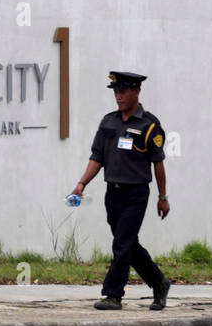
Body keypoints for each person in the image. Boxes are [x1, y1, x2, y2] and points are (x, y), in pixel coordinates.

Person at [69, 70, 171, 310]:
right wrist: (81, 184)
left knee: (122, 244)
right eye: (115, 91)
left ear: (136, 91)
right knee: (128, 244)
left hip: (136, 194)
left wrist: (163, 197)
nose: (118, 96)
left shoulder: (149, 125)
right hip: (112, 193)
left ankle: (113, 294)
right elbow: (97, 157)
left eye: (123, 90)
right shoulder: (108, 122)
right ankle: (159, 282)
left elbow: (158, 164)